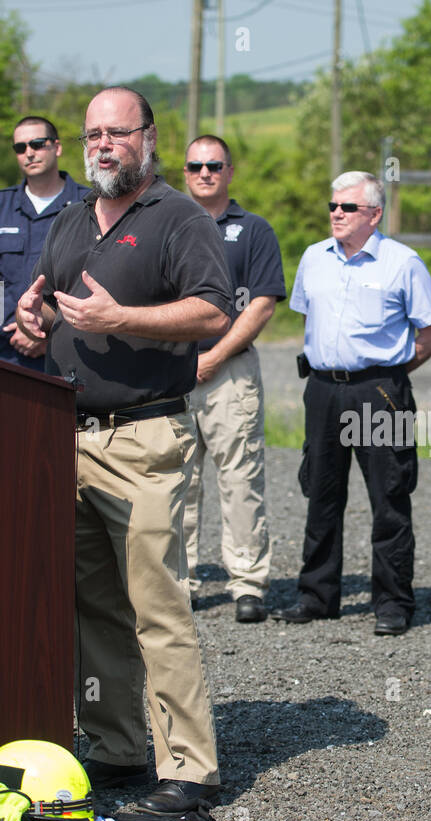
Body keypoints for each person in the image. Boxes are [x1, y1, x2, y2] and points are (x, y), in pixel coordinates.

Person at [15, 87, 234, 812]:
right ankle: (114, 748)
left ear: (148, 137)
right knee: (94, 606)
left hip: (147, 439)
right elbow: (53, 308)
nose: (103, 144)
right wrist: (32, 320)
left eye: (118, 132)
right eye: (92, 134)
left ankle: (189, 768)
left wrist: (123, 316)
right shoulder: (73, 221)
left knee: (156, 606)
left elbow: (212, 309)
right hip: (70, 437)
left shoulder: (176, 218)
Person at [272, 171, 431, 635]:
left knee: (388, 496)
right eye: (332, 205)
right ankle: (316, 596)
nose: (335, 213)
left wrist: (388, 375)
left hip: (379, 394)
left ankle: (392, 602)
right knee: (320, 493)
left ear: (374, 214)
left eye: (347, 207)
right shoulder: (314, 259)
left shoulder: (403, 263)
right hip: (324, 390)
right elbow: (310, 318)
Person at [180, 135, 285, 624]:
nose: (205, 172)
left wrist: (216, 355)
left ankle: (247, 582)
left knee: (241, 478)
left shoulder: (254, 230)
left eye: (214, 165)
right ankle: (180, 581)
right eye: (196, 165)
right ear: (184, 172)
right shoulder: (168, 225)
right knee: (177, 480)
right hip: (173, 368)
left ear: (229, 171)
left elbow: (262, 301)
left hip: (231, 369)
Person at [0, 116, 90, 371]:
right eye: (20, 147)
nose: (29, 153)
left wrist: (48, 333)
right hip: (7, 351)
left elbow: (97, 276)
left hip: (71, 353)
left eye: (37, 144)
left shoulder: (89, 205)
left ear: (56, 147)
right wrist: (20, 327)